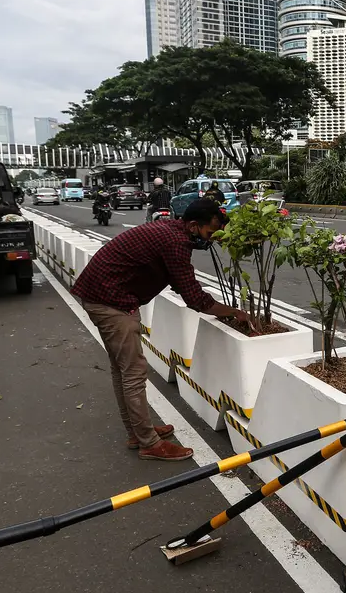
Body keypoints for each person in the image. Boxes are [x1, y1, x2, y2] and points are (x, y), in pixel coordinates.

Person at [72, 197, 251, 461]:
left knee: (121, 369)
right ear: (192, 226)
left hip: (103, 294)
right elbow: (194, 298)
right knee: (132, 372)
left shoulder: (171, 231)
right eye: (210, 233)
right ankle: (148, 442)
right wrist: (234, 313)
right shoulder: (175, 243)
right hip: (112, 302)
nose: (212, 239)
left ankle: (138, 432)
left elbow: (180, 284)